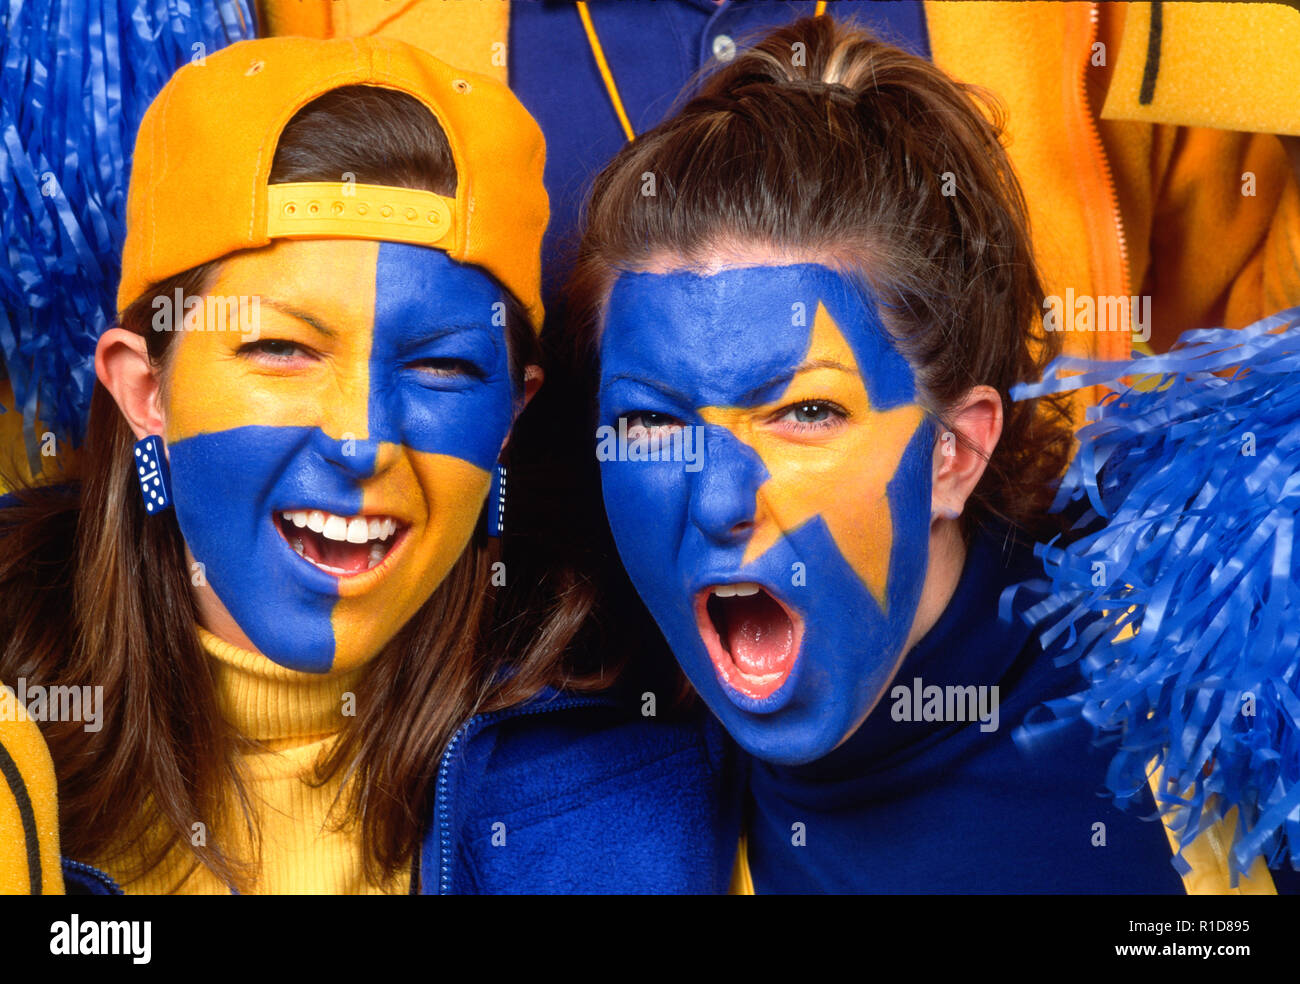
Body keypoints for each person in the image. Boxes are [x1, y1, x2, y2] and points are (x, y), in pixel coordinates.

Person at [560, 16, 1295, 892]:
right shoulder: (577, 812)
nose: (718, 501)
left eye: (805, 411)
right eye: (652, 426)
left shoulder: (1207, 734)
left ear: (955, 451)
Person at [0, 34, 580, 894]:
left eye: (442, 367)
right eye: (280, 349)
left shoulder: (610, 790)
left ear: (510, 416)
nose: (359, 439)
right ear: (144, 390)